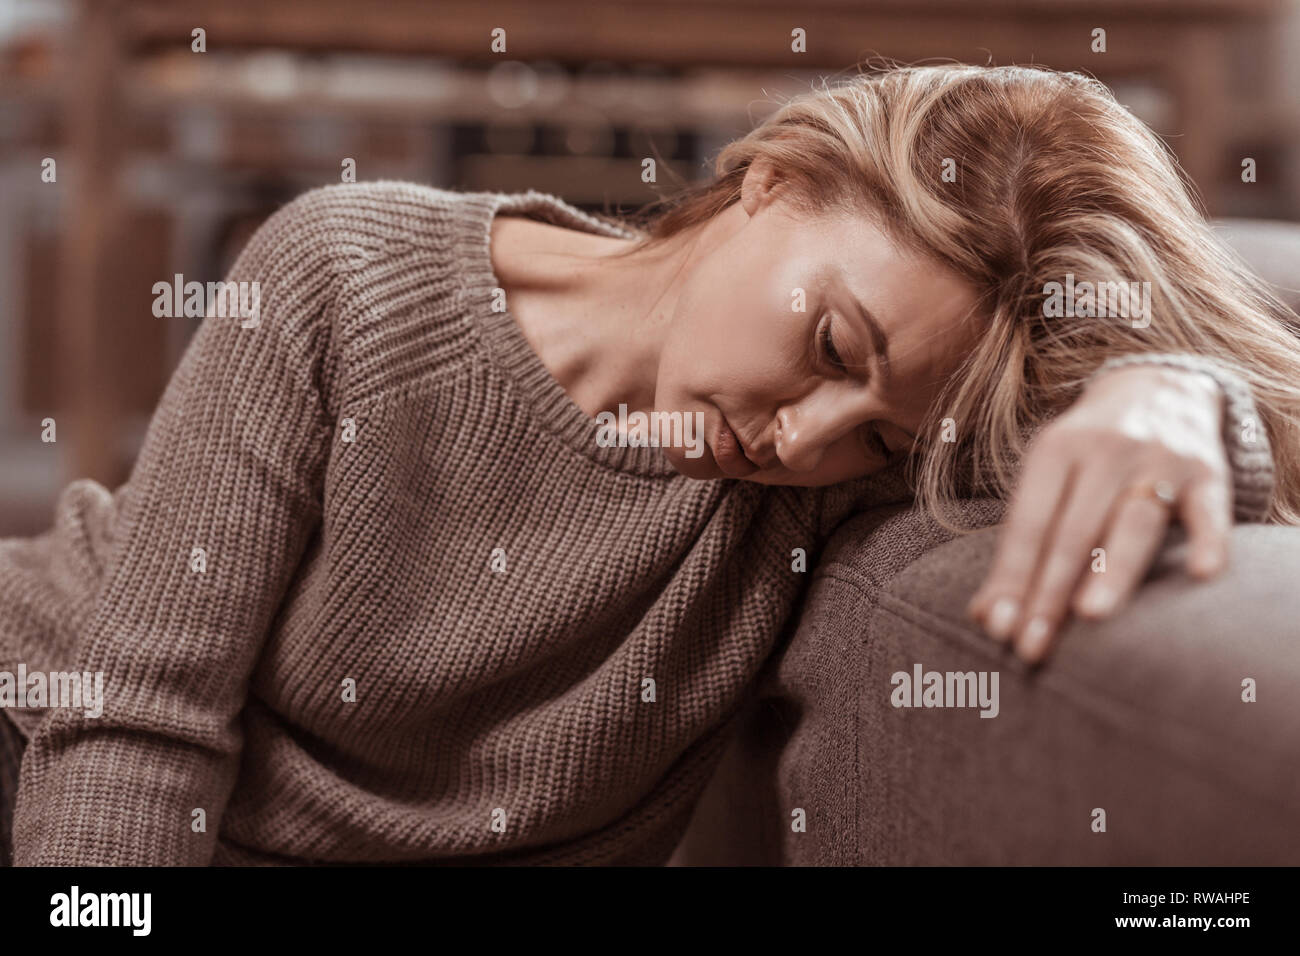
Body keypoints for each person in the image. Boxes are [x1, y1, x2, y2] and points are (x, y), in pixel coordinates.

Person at [0, 63, 1296, 866]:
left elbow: (1194, 494)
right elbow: (137, 717)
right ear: (777, 180)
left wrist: (1173, 387)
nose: (803, 437)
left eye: (883, 437)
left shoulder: (831, 479)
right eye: (833, 341)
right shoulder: (341, 268)